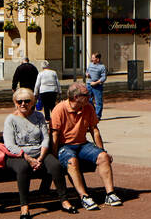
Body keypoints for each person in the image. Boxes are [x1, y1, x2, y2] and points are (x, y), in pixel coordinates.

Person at [3, 88, 74, 219]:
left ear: (32, 102)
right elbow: (10, 145)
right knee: (23, 168)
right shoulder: (11, 119)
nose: (23, 104)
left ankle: (64, 200)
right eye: (19, 101)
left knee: (56, 166)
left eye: (27, 101)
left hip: (39, 153)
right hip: (18, 155)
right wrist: (29, 159)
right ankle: (24, 206)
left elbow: (45, 138)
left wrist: (41, 157)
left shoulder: (39, 116)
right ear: (15, 102)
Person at [49, 80, 122, 209]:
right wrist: (54, 157)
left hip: (82, 144)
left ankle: (110, 194)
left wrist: (101, 150)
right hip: (64, 146)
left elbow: (94, 130)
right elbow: (54, 135)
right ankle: (84, 196)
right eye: (87, 95)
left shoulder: (88, 107)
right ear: (76, 97)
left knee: (103, 157)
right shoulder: (59, 109)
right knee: (72, 161)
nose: (90, 97)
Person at [85, 53, 107, 119]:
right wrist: (87, 74)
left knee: (98, 101)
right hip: (89, 84)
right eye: (92, 58)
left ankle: (97, 116)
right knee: (88, 99)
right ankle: (93, 111)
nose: (92, 59)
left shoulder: (102, 67)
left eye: (93, 58)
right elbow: (87, 71)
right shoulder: (90, 64)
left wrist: (96, 83)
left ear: (97, 59)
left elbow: (104, 77)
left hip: (97, 86)